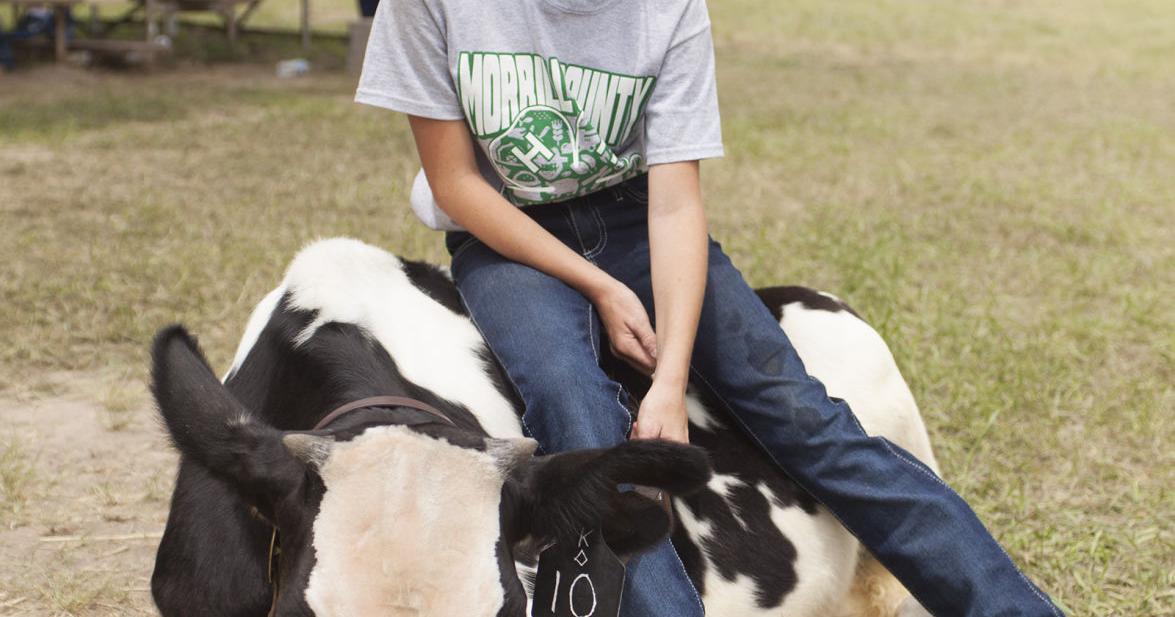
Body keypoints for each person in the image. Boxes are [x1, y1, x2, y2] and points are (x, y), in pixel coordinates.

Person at [355, 0, 1065, 615]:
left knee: (805, 417)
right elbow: (454, 183)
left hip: (640, 217)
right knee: (574, 411)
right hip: (504, 235)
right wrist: (600, 287)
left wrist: (668, 382)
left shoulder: (665, 9)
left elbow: (674, 202)